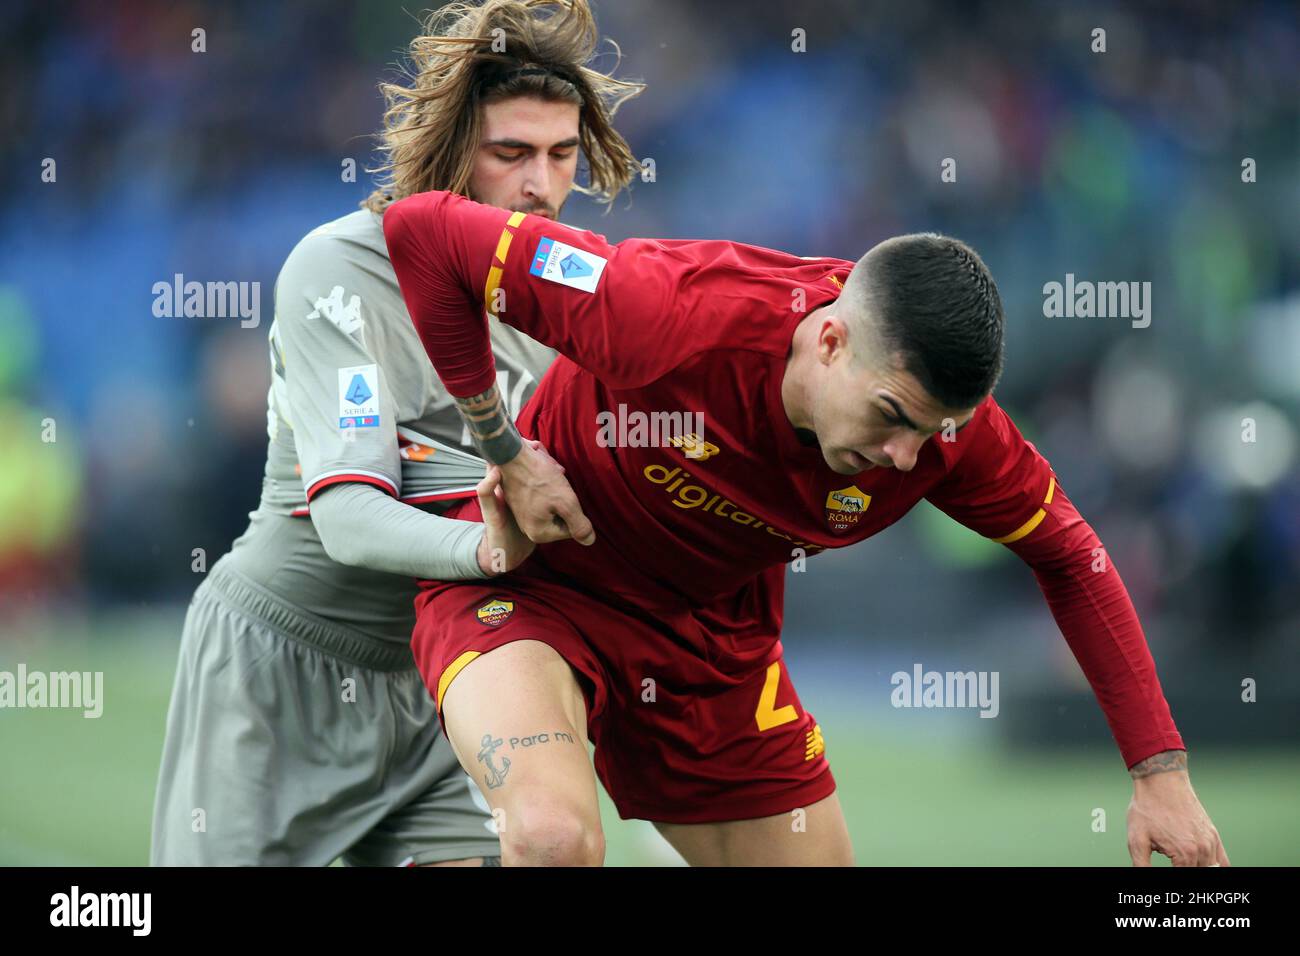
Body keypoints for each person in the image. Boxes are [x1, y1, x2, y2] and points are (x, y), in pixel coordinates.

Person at [380, 188, 1230, 868]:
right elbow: (424, 232)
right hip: (535, 588)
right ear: (829, 341)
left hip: (710, 646)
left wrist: (1160, 772)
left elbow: (1072, 556)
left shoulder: (947, 442)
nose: (905, 458)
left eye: (933, 432)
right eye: (892, 415)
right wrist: (503, 447)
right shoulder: (663, 307)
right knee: (554, 841)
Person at [150, 0, 643, 866]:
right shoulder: (342, 271)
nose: (541, 184)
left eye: (562, 154)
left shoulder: (564, 294)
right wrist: (490, 550)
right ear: (450, 151)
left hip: (441, 680)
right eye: (512, 154)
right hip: (281, 673)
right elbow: (347, 517)